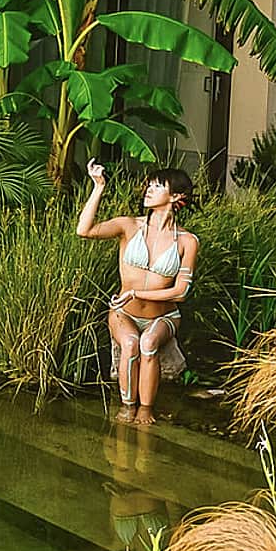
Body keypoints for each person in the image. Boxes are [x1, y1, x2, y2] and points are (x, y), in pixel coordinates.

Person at [76, 159, 199, 424]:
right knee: (131, 344)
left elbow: (180, 293)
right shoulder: (129, 226)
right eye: (149, 186)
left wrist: (138, 294)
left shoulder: (187, 241)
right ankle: (127, 407)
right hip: (124, 314)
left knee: (148, 342)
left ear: (176, 196)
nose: (149, 191)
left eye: (157, 186)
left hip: (163, 317)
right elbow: (84, 230)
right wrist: (98, 187)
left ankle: (146, 409)